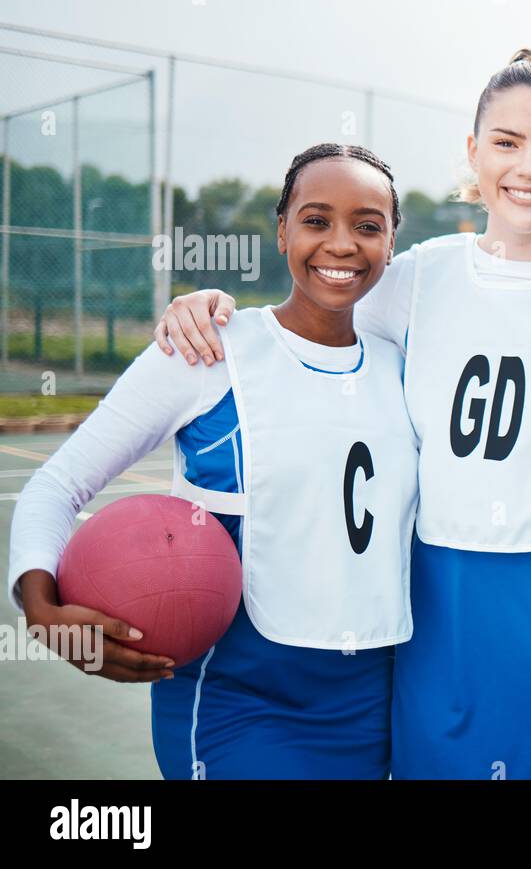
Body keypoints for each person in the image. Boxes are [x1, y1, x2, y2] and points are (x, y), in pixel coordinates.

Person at [151, 51, 531, 780]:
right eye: (506, 142)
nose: (528, 166)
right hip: (439, 600)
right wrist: (211, 307)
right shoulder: (418, 278)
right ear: (473, 155)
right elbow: (307, 319)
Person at [10, 144, 418, 779]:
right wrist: (40, 608)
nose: (341, 244)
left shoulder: (404, 366)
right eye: (316, 220)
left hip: (374, 701)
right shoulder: (206, 350)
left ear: (392, 243)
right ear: (281, 231)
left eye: (368, 226)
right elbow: (59, 483)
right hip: (238, 699)